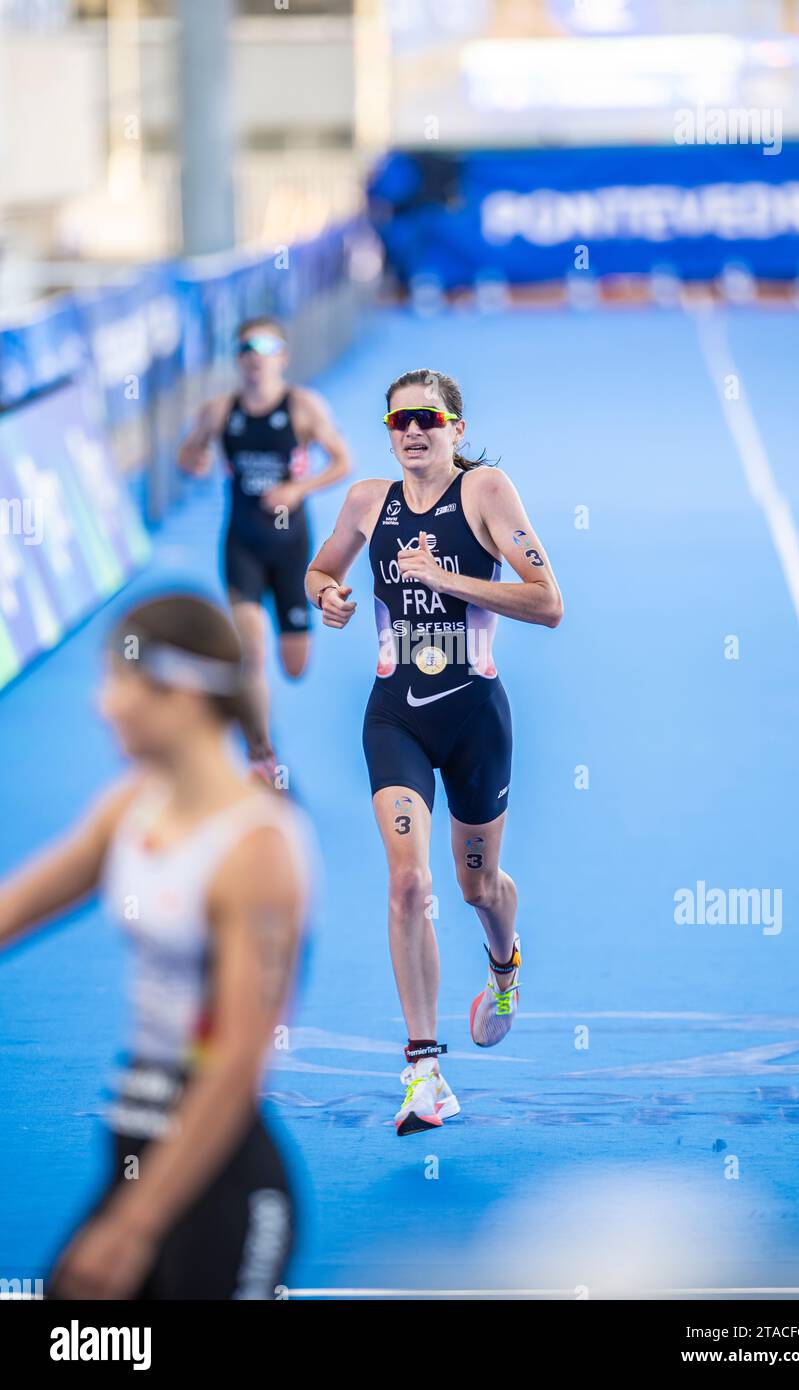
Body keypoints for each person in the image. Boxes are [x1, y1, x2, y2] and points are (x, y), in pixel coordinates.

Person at [0, 592, 311, 1298]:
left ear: (179, 694)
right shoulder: (133, 806)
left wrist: (135, 1226)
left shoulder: (257, 850)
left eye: (117, 682)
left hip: (220, 1174)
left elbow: (236, 1060)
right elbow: (11, 909)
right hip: (136, 1132)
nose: (102, 705)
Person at [305, 369, 562, 1136]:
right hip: (397, 720)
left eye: (427, 418)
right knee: (410, 885)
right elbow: (320, 568)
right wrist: (329, 597)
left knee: (477, 891)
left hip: (476, 719)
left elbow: (548, 602)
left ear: (455, 426)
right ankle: (424, 1073)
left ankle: (505, 965)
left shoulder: (485, 493)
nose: (412, 432)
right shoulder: (365, 501)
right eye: (397, 421)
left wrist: (444, 576)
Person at [178, 316, 351, 779]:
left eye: (266, 347)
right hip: (242, 545)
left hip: (292, 547)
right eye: (247, 349)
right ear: (238, 359)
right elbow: (189, 452)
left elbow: (342, 461)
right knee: (250, 652)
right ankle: (260, 753)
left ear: (283, 356)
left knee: (294, 665)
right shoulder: (219, 411)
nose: (256, 357)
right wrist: (193, 460)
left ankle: (262, 737)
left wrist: (298, 489)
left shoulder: (303, 408)